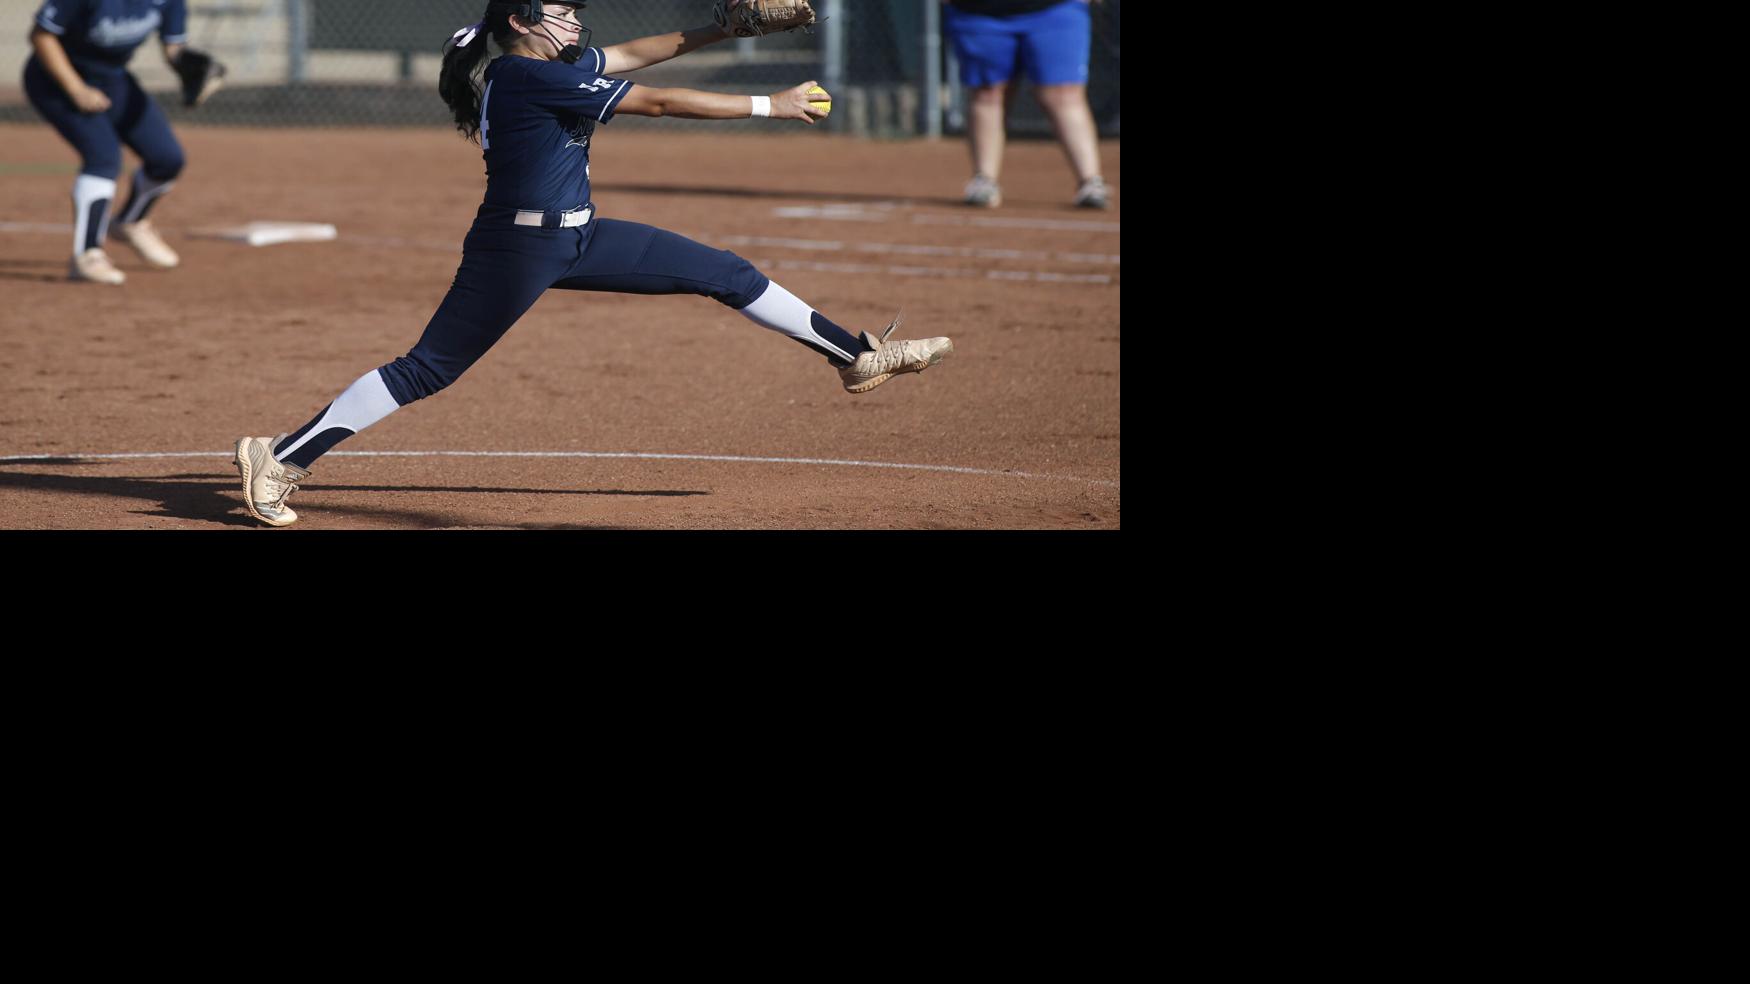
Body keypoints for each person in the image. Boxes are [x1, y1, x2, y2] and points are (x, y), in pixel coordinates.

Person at [231, 0, 953, 528]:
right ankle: (282, 456)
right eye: (563, 10)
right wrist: (773, 103)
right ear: (522, 20)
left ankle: (855, 356)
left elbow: (635, 54)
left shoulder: (552, 63)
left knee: (727, 274)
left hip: (579, 236)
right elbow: (658, 102)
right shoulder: (524, 75)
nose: (577, 20)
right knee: (428, 369)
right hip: (517, 249)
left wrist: (722, 28)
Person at [23, 0, 192, 284]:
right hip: (56, 81)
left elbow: (173, 48)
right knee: (103, 157)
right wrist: (76, 89)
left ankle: (131, 221)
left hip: (114, 80)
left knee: (167, 159)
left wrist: (194, 67)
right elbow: (41, 36)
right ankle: (87, 255)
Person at [943, 0, 1110, 209]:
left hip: (1054, 8)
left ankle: (1090, 181)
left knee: (1063, 94)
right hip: (978, 13)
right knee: (987, 92)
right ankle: (984, 179)